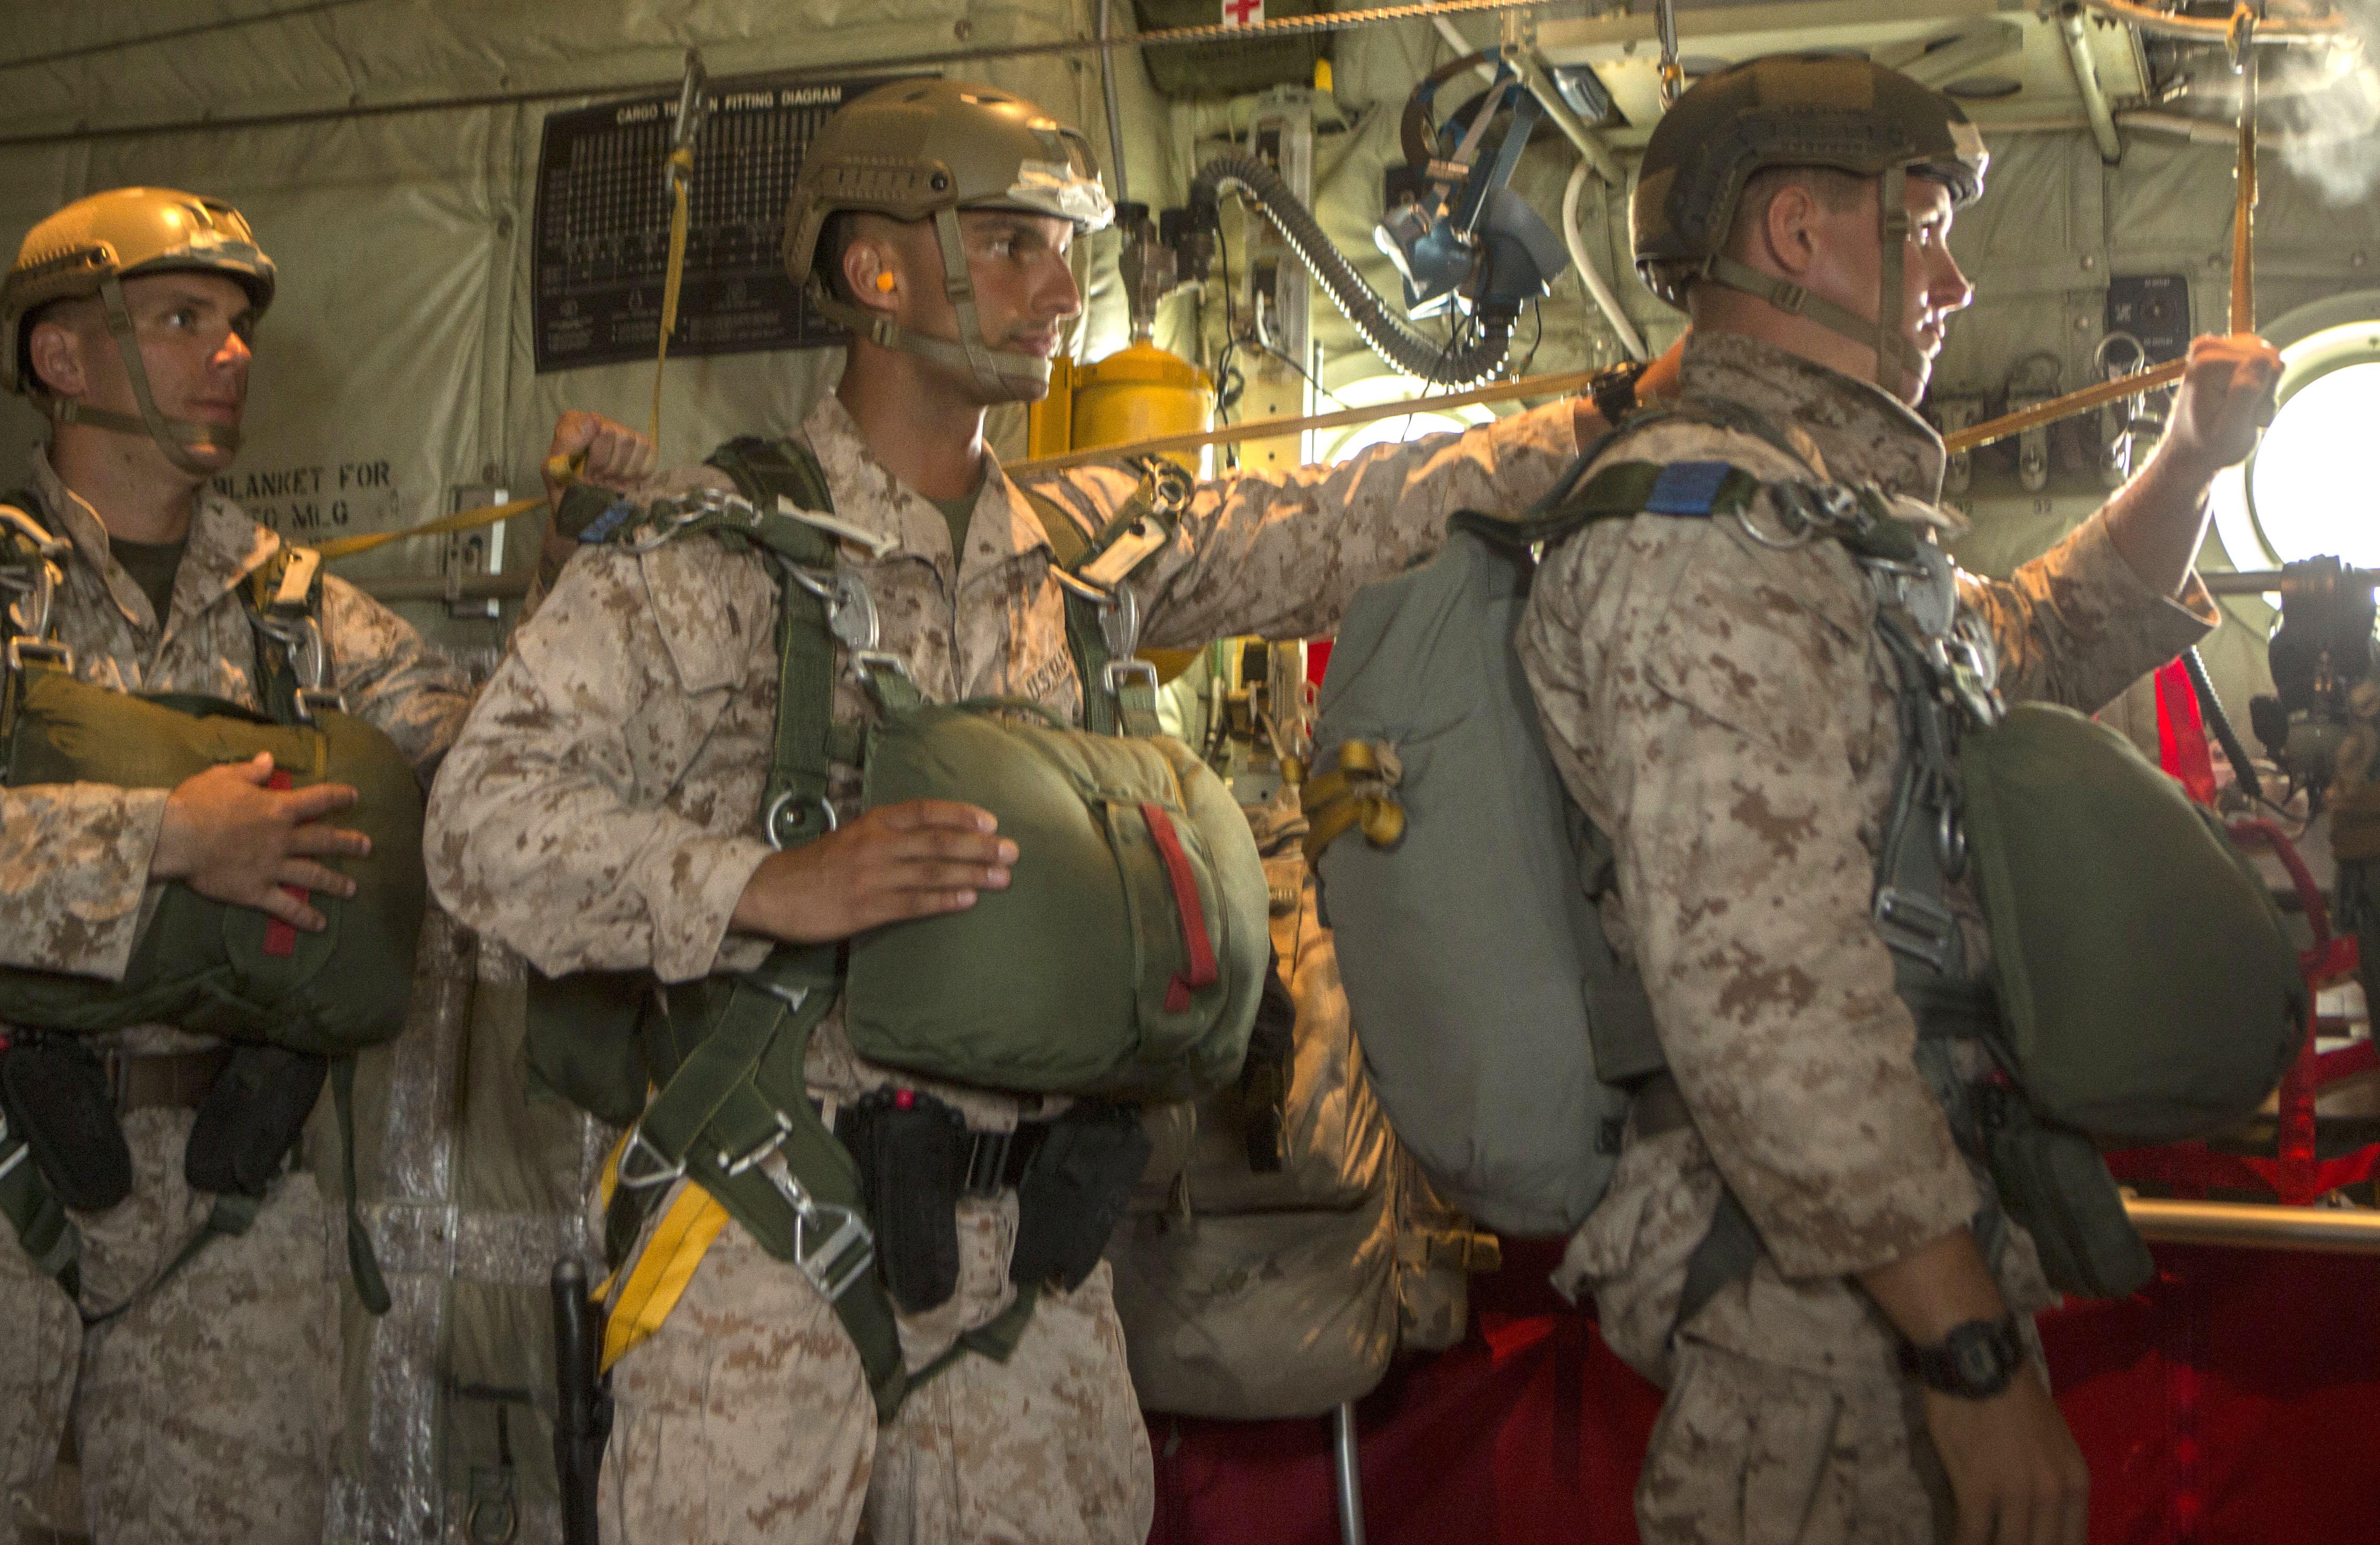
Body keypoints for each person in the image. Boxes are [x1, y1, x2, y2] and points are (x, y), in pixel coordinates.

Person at [427, 78, 1665, 1544]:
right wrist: (762, 883)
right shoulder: (715, 556)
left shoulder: (1089, 557)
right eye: (1011, 244)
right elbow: (480, 820)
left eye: (1066, 249)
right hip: (769, 1251)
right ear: (876, 272)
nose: (1062, 291)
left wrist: (1616, 415)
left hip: (1034, 1272)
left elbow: (1344, 520)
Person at [0, 185, 644, 1544]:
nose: (233, 353)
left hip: (233, 1199)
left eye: (239, 325)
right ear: (63, 356)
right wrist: (163, 840)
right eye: (184, 319)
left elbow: (493, 784)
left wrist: (573, 571)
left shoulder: (296, 612)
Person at [1523, 57, 2284, 1545]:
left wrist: (2193, 464)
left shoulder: (1818, 524)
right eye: (1923, 228)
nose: (1952, 281)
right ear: (1800, 236)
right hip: (1814, 1325)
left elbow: (2028, 641)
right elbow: (1772, 997)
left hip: (1890, 1281)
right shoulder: (1704, 541)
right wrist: (1970, 1354)